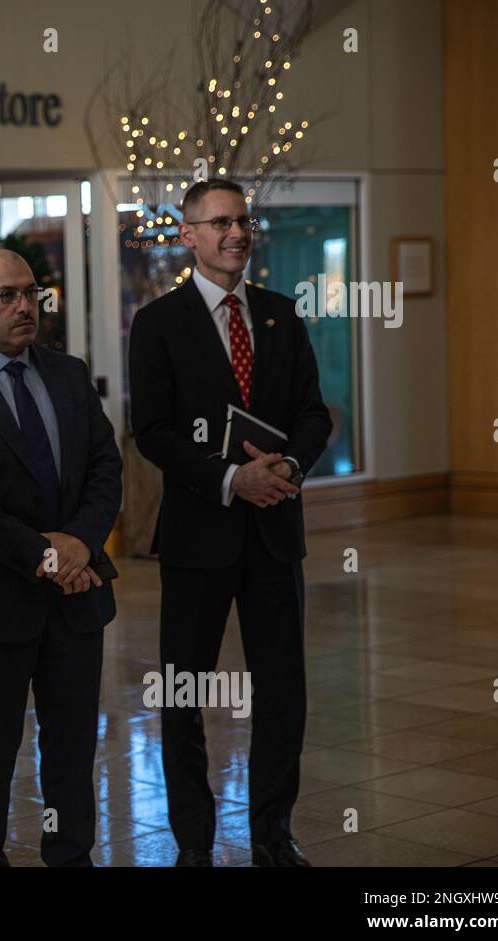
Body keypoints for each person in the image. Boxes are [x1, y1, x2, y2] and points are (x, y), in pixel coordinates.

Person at [127, 178, 332, 867]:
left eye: (242, 220)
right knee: (185, 693)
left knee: (283, 695)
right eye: (218, 223)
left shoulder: (280, 313)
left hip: (275, 532)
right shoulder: (159, 324)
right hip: (197, 538)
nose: (235, 233)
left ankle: (273, 835)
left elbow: (312, 411)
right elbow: (151, 430)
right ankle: (193, 841)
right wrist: (228, 477)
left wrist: (290, 468)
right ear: (188, 235)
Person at [0, 248, 122, 866]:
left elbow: (106, 467)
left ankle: (70, 857)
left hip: (75, 599)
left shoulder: (68, 374)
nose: (25, 306)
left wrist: (78, 542)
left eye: (31, 293)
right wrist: (44, 555)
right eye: (6, 296)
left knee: (73, 749)